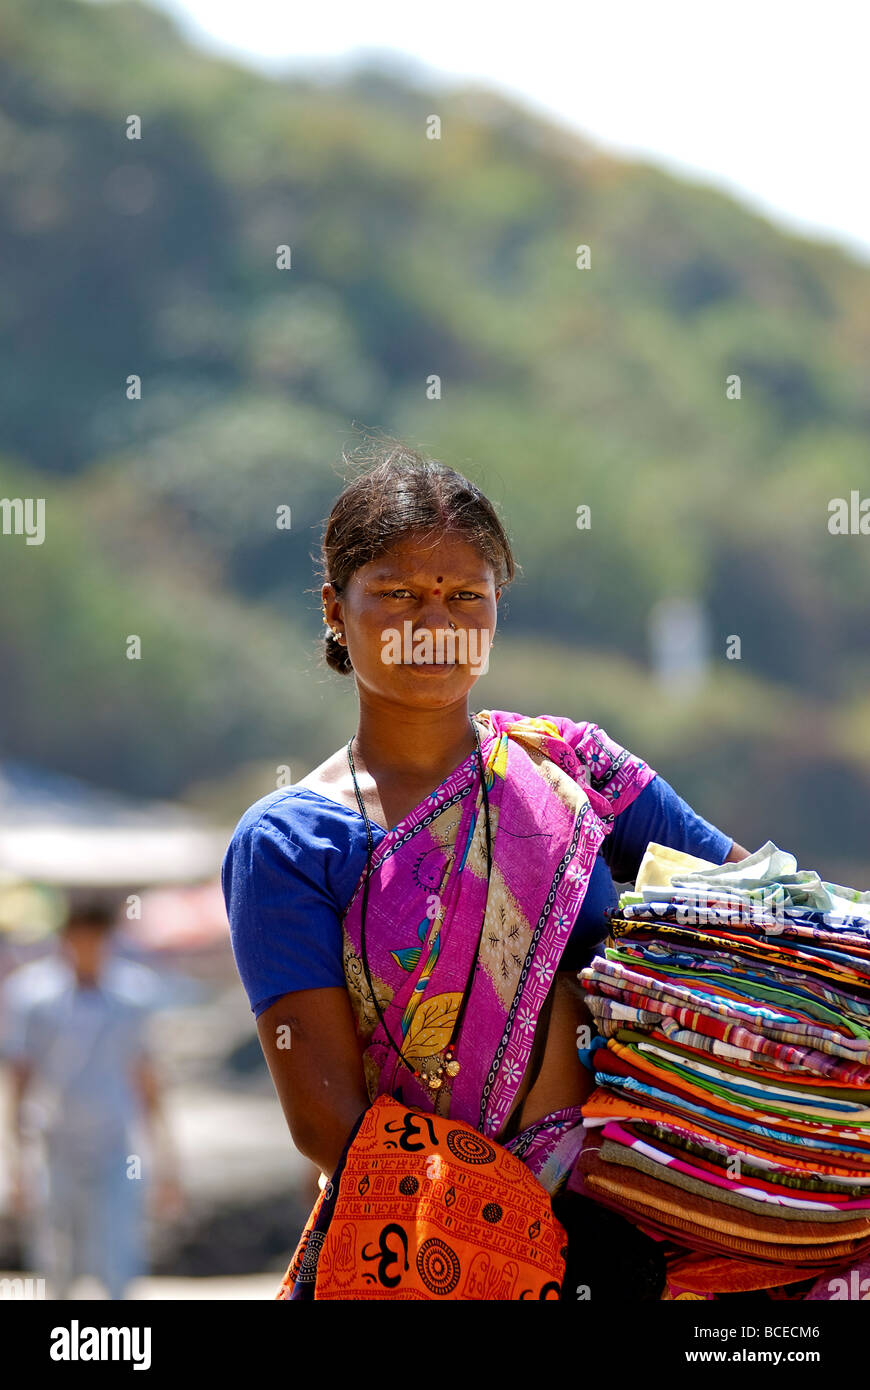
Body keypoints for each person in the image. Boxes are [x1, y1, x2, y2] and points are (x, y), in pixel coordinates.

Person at [221, 440, 752, 1300]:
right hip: (421, 1248)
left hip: (621, 1234)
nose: (434, 626)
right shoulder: (291, 844)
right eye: (397, 595)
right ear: (333, 607)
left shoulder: (575, 771)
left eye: (465, 596)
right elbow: (326, 1122)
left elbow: (764, 917)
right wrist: (521, 1234)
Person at [1, 899, 180, 1299]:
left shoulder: (132, 995)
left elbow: (147, 1078)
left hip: (115, 1146)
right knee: (56, 1256)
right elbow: (20, 1078)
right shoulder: (33, 997)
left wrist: (166, 1161)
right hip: (55, 1145)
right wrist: (16, 1159)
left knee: (118, 1255)